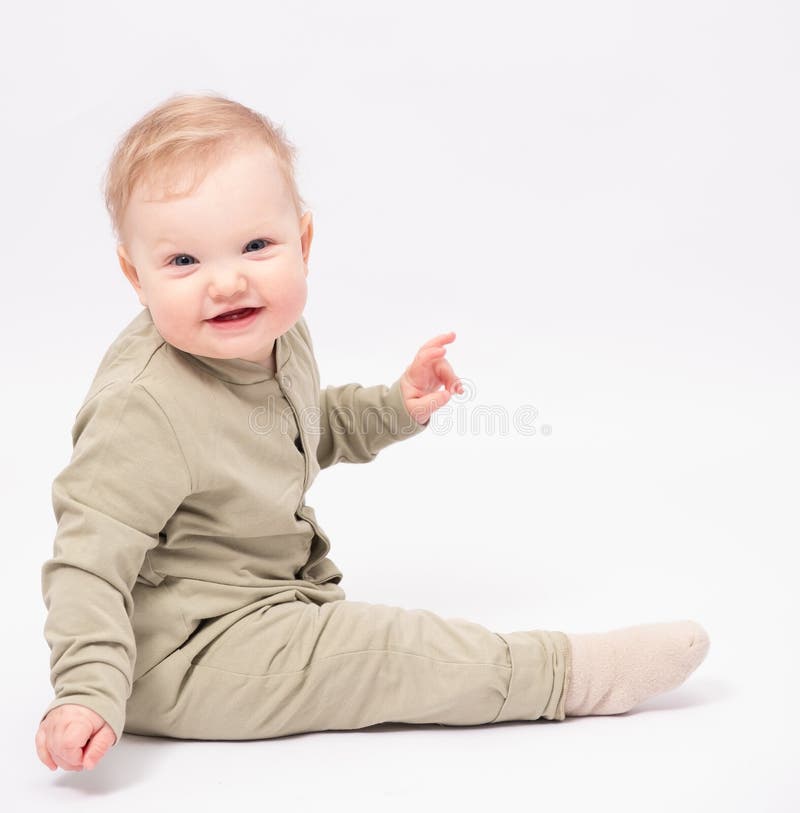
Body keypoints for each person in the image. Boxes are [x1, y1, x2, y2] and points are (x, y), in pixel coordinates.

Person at [35, 92, 710, 773]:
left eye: (256, 245)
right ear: (135, 275)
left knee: (368, 641)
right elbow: (88, 561)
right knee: (388, 654)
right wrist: (86, 691)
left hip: (271, 598)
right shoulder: (142, 407)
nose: (229, 280)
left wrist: (394, 406)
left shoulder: (270, 330)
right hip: (185, 654)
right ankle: (571, 674)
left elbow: (289, 427)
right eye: (184, 261)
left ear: (302, 242)